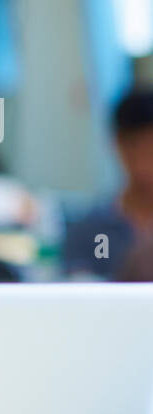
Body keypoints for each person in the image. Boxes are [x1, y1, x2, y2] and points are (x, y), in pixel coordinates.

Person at [63, 87, 153, 280]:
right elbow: (78, 298)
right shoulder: (89, 231)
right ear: (119, 144)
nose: (148, 157)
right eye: (141, 145)